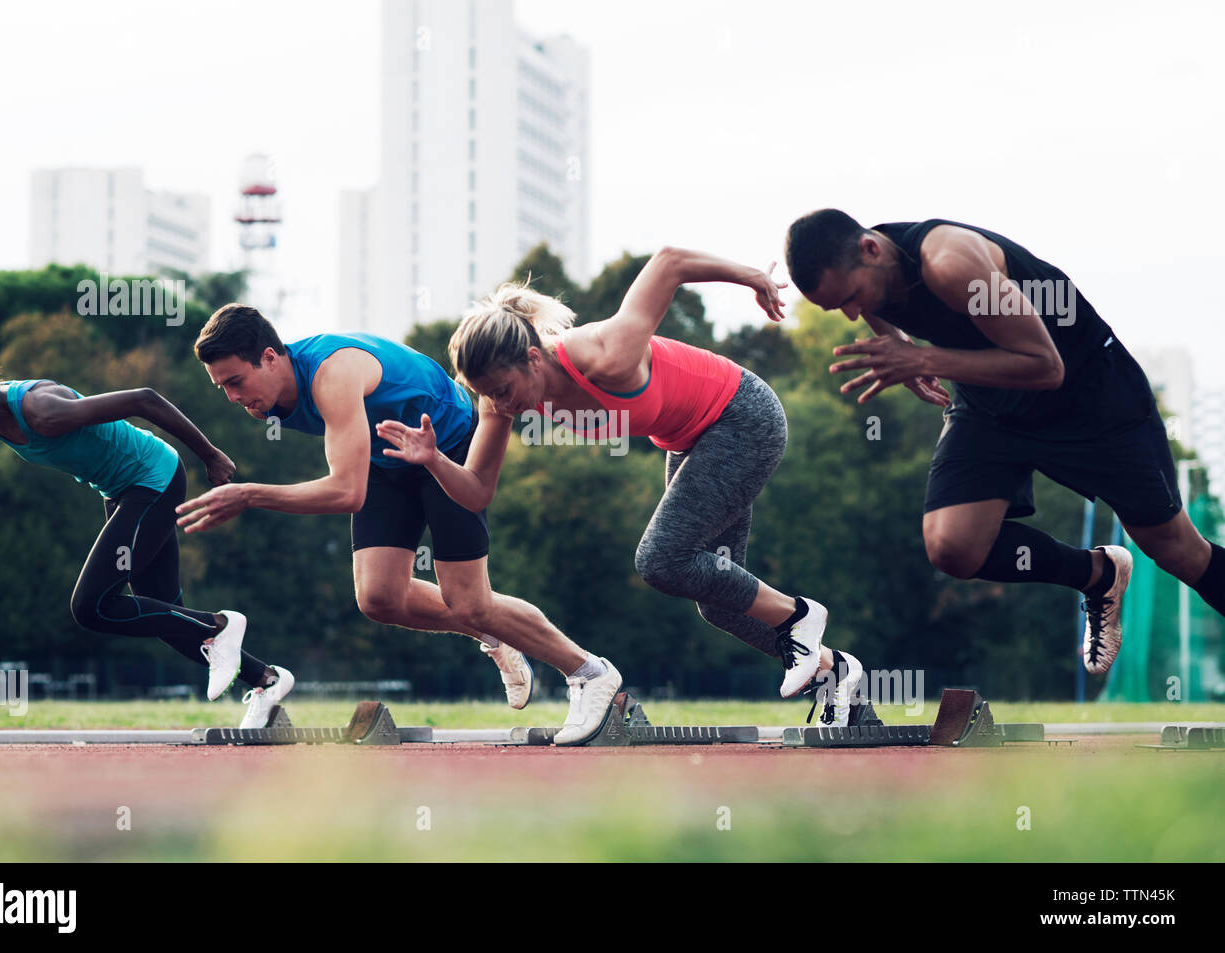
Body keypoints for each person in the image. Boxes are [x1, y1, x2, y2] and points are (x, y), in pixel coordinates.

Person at [377, 248, 864, 725]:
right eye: (486, 395)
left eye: (503, 391)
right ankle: (834, 674)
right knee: (718, 601)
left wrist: (752, 276)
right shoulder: (498, 402)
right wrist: (436, 460)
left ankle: (799, 615)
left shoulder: (603, 354)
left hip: (742, 417)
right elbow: (477, 492)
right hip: (692, 440)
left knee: (661, 559)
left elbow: (670, 262)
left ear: (532, 358)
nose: (499, 406)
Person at [785, 210, 1225, 673]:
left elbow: (1045, 366)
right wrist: (901, 352)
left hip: (1089, 396)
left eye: (853, 297)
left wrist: (921, 358)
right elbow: (882, 314)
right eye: (840, 308)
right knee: (952, 547)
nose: (854, 313)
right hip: (991, 403)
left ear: (871, 249)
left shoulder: (951, 264)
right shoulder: (868, 271)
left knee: (1176, 550)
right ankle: (1097, 575)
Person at [180, 305, 622, 744]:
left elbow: (346, 493)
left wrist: (249, 494)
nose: (234, 398)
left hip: (445, 445)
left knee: (469, 601)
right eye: (222, 388)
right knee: (379, 598)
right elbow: (352, 469)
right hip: (386, 459)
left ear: (272, 357)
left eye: (236, 381)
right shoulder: (267, 402)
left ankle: (589, 671)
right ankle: (494, 634)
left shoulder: (332, 375)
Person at [0, 319, 293, 727]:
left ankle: (220, 624)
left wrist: (209, 455)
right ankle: (267, 680)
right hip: (120, 492)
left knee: (93, 605)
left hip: (153, 479)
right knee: (166, 617)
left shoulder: (41, 410)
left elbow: (144, 399)